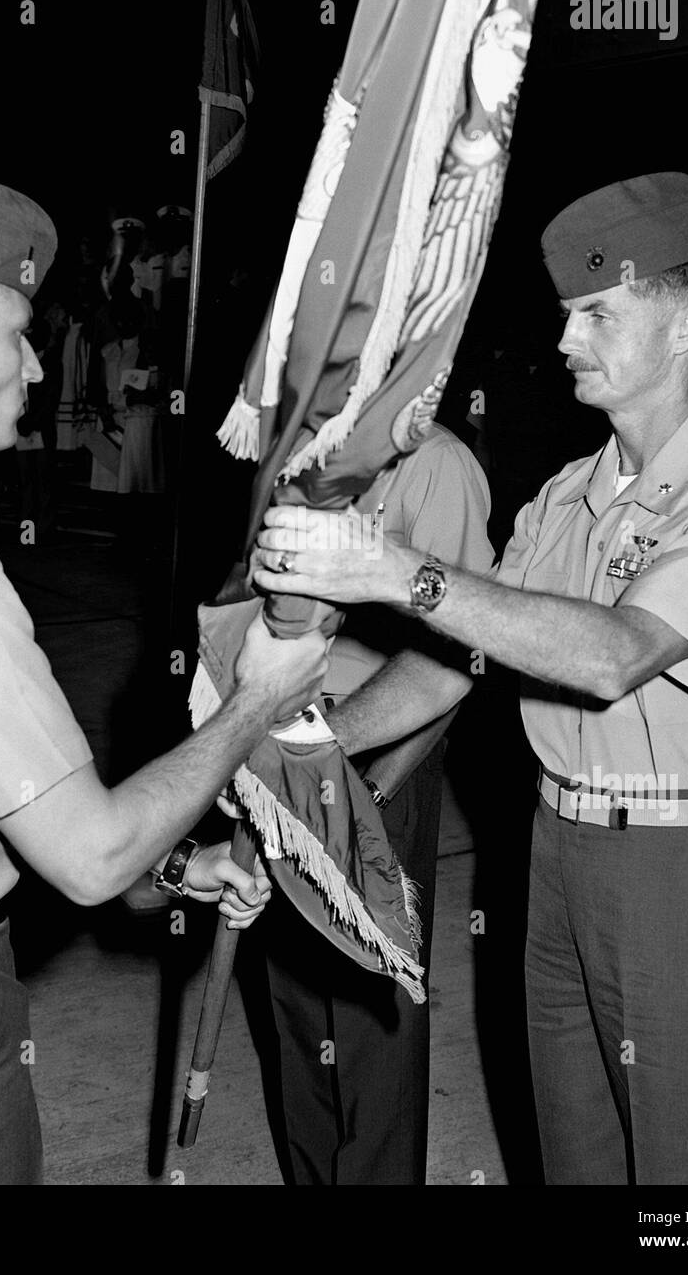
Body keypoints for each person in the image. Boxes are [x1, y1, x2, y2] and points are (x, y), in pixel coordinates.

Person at [252, 172, 688, 1185]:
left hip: (681, 872)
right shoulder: (565, 496)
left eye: (599, 315)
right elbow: (449, 669)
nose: (567, 342)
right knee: (575, 1161)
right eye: (566, 316)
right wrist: (300, 750)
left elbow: (612, 654)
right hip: (554, 859)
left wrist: (392, 570)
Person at [0, 155, 329, 1185]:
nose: (36, 369)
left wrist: (173, 866)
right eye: (17, 338)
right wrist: (258, 699)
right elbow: (89, 855)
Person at [256, 422, 494, 1185]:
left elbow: (461, 653)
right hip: (276, 745)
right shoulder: (298, 451)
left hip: (372, 750)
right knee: (294, 999)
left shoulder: (438, 465)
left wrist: (381, 783)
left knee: (371, 1010)